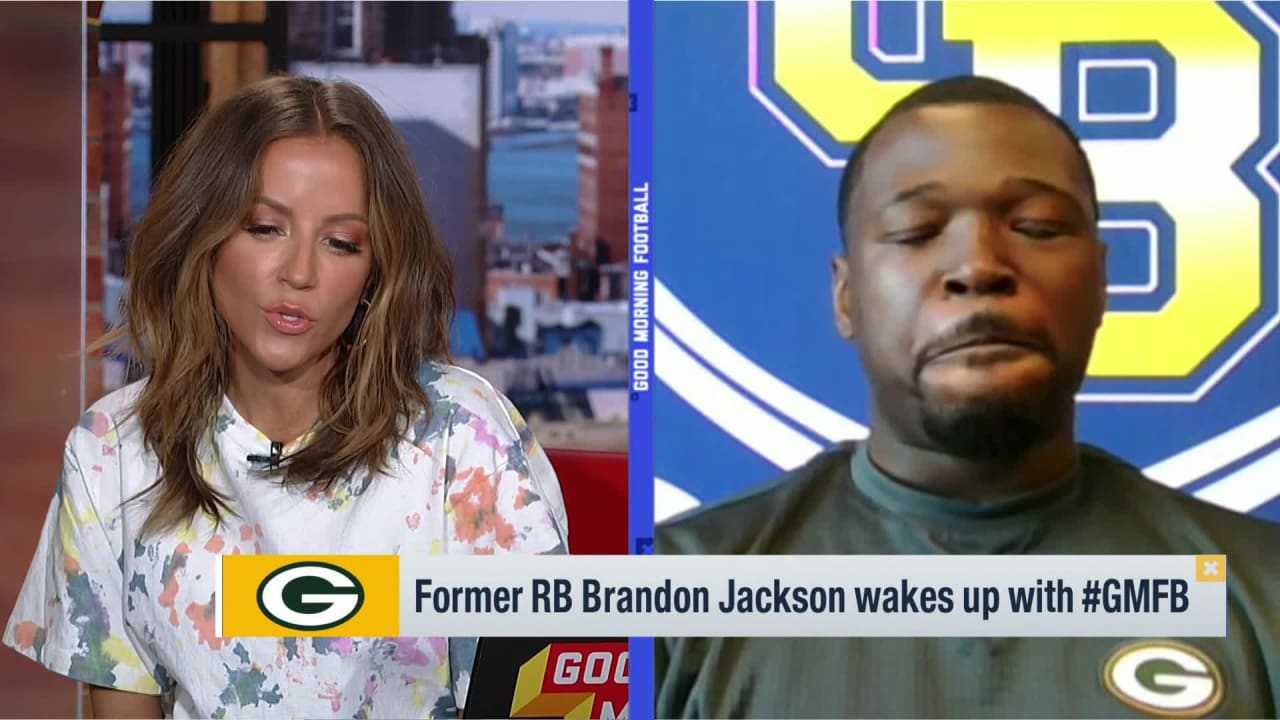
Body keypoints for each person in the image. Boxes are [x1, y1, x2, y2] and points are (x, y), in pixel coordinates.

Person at [655, 76, 1280, 718]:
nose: (978, 265)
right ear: (847, 298)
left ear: (1100, 282)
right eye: (916, 230)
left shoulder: (1262, 594)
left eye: (1036, 226)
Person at [3, 75, 568, 719]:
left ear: (375, 270)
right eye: (266, 227)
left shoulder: (466, 440)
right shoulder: (114, 451)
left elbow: (537, 697)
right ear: (204, 238)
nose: (299, 272)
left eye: (340, 242)